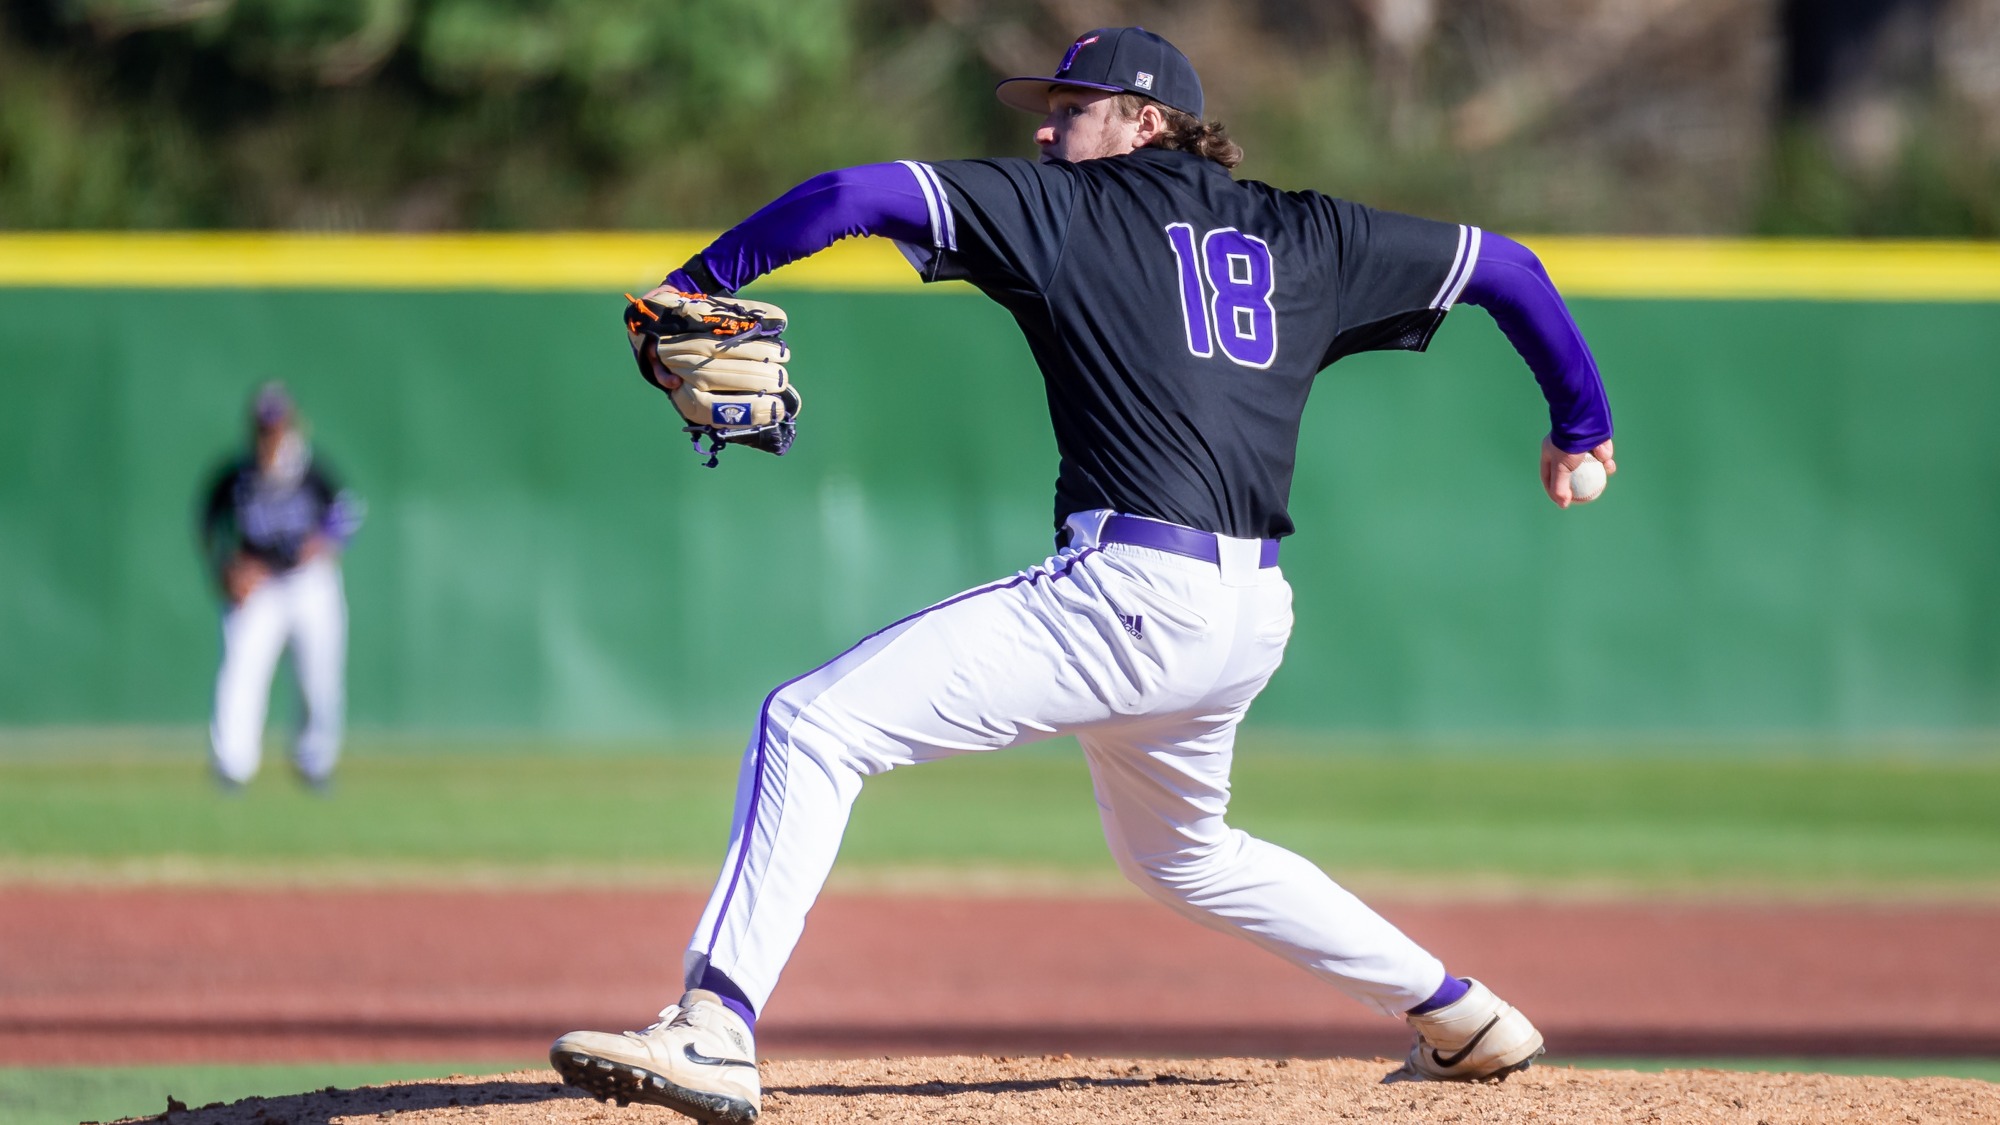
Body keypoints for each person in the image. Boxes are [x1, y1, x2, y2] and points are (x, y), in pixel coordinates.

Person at [552, 27, 1614, 1123]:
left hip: (1130, 594)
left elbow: (850, 192)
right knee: (1181, 856)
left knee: (811, 726)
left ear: (1145, 120)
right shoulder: (1310, 231)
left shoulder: (1067, 209)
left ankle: (714, 1027)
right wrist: (1580, 424)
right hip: (1247, 613)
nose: (1046, 129)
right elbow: (1508, 268)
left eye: (1071, 107)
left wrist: (692, 282)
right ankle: (1459, 1015)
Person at [198, 382, 362, 792]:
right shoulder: (237, 477)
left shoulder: (310, 471)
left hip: (308, 583)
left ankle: (315, 762)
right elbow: (207, 524)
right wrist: (227, 568)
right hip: (260, 586)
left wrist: (321, 543)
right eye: (264, 427)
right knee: (240, 671)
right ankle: (232, 767)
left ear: (291, 426)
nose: (271, 435)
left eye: (278, 426)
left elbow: (346, 515)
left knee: (318, 676)